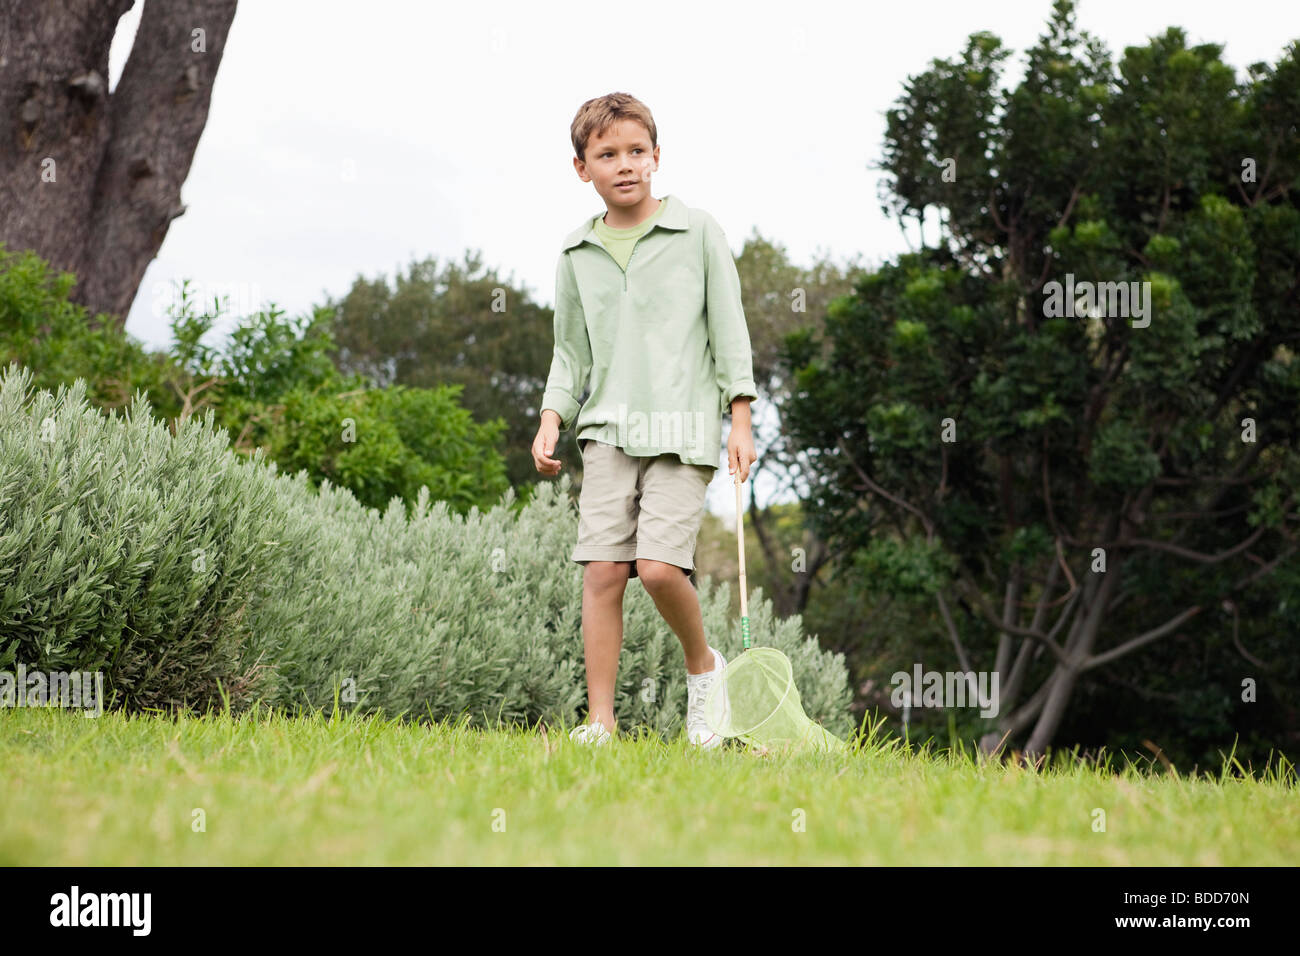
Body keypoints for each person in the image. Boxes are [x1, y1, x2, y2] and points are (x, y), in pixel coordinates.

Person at [531, 91, 758, 748]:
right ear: (583, 169)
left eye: (636, 151)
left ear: (657, 157)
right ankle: (600, 722)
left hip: (686, 428)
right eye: (607, 154)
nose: (624, 164)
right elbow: (569, 354)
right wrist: (551, 418)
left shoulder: (699, 232)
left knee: (658, 570)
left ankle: (703, 668)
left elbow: (730, 331)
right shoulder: (575, 254)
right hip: (605, 431)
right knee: (603, 572)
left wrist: (739, 418)